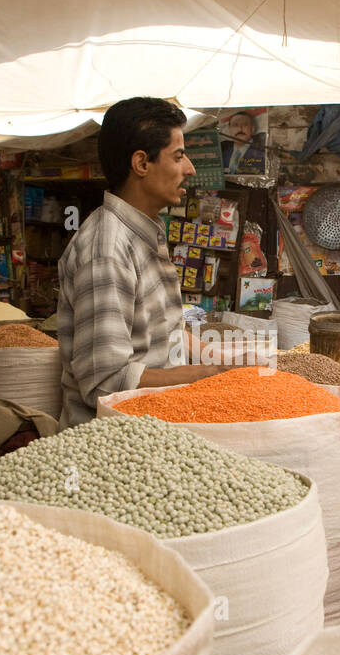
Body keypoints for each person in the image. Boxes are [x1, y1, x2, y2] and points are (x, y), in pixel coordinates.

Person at [57, 97, 223, 428]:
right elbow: (105, 382)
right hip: (112, 441)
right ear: (141, 164)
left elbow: (164, 331)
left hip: (154, 425)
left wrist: (221, 356)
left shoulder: (143, 233)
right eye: (178, 156)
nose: (189, 168)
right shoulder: (107, 249)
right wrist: (204, 375)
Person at [220, 111, 266, 175]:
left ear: (252, 129)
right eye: (235, 125)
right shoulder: (222, 154)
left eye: (245, 124)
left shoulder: (263, 154)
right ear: (229, 130)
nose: (240, 128)